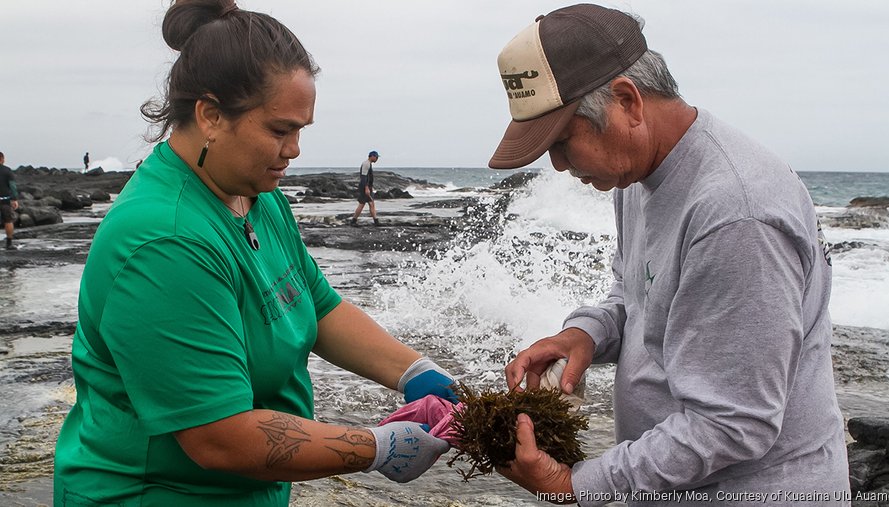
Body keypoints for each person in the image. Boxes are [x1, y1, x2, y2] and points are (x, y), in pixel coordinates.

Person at [53, 2, 455, 505]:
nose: (295, 150)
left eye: (301, 130)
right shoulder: (165, 242)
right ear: (211, 115)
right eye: (279, 130)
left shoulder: (255, 196)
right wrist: (375, 447)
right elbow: (219, 437)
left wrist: (415, 371)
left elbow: (317, 305)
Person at [491, 5, 849, 505]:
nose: (556, 164)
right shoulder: (637, 172)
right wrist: (586, 334)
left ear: (627, 101)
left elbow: (734, 422)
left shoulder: (736, 214)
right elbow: (637, 292)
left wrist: (575, 485)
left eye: (564, 140)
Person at [351, 150, 379, 226]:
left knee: (369, 203)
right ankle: (354, 221)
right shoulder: (366, 164)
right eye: (376, 157)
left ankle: (376, 221)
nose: (377, 159)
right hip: (364, 187)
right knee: (364, 204)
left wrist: (370, 187)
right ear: (372, 156)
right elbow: (364, 177)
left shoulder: (368, 164)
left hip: (367, 187)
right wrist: (366, 188)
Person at [0, 151, 19, 250]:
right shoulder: (7, 171)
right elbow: (12, 186)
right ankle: (9, 243)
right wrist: (14, 199)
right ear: (2, 159)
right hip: (4, 200)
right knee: (8, 221)